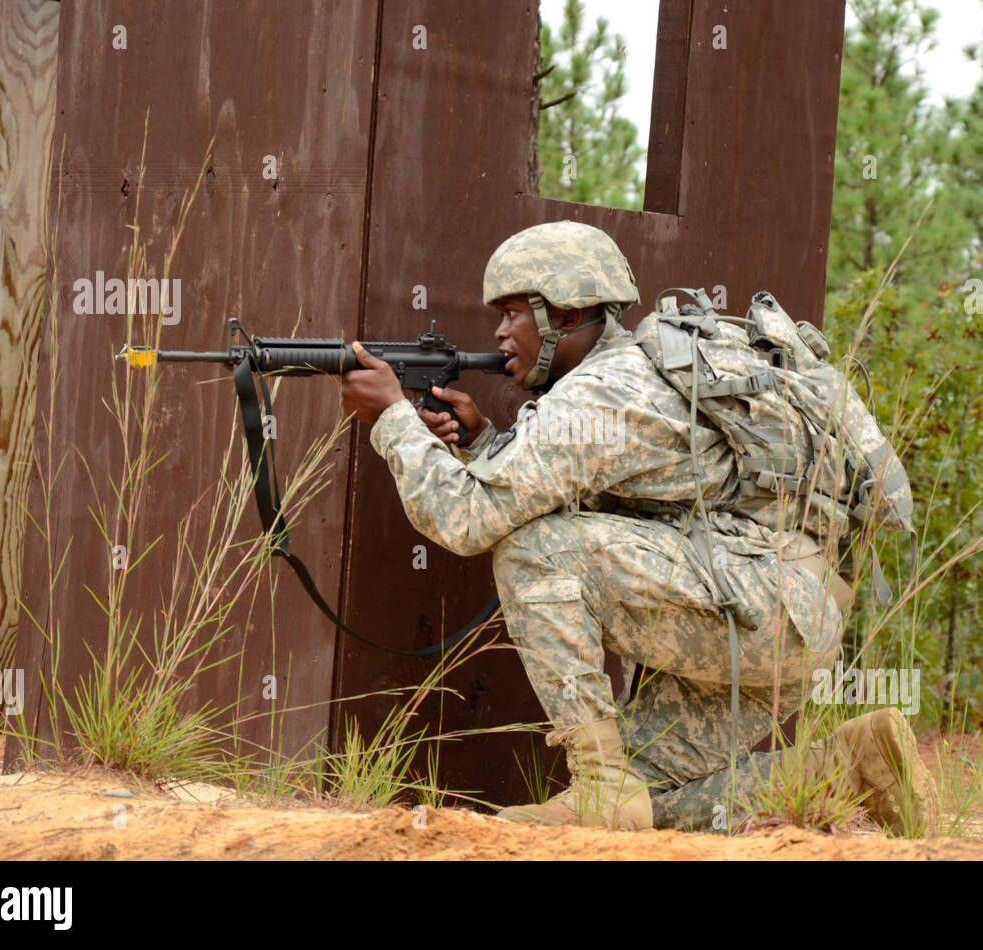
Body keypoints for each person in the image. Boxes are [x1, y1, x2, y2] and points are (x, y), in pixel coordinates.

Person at [339, 220, 938, 834]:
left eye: (513, 312)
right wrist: (484, 445)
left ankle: (599, 779)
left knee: (536, 549)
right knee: (641, 804)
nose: (498, 331)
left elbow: (464, 520)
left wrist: (392, 418)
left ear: (566, 317)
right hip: (785, 618)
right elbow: (604, 499)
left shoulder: (604, 391)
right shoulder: (639, 373)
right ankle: (850, 769)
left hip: (757, 612)